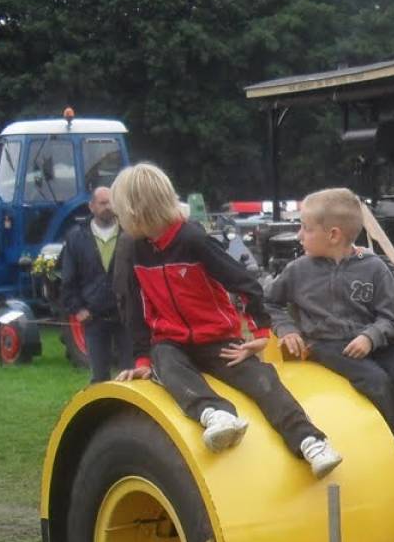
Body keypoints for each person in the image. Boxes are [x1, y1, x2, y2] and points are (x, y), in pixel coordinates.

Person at [111, 162, 341, 478]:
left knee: (263, 381)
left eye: (120, 211)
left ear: (135, 211)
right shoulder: (136, 251)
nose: (119, 219)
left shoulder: (192, 240)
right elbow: (136, 310)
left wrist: (259, 331)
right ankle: (216, 413)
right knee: (162, 357)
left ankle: (310, 441)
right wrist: (140, 357)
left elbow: (244, 281)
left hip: (217, 339)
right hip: (173, 342)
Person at [264, 186, 394, 493]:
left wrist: (371, 337)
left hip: (375, 344)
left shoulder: (374, 268)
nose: (300, 236)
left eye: (305, 229)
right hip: (328, 346)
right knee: (376, 382)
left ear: (333, 234)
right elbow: (270, 303)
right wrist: (287, 329)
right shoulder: (297, 271)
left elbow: (390, 319)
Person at [58, 184, 123, 385]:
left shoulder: (129, 233)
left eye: (111, 202)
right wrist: (77, 308)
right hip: (94, 318)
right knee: (99, 378)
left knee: (133, 373)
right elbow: (69, 277)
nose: (108, 206)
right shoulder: (76, 237)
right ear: (91, 206)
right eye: (103, 203)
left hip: (125, 316)